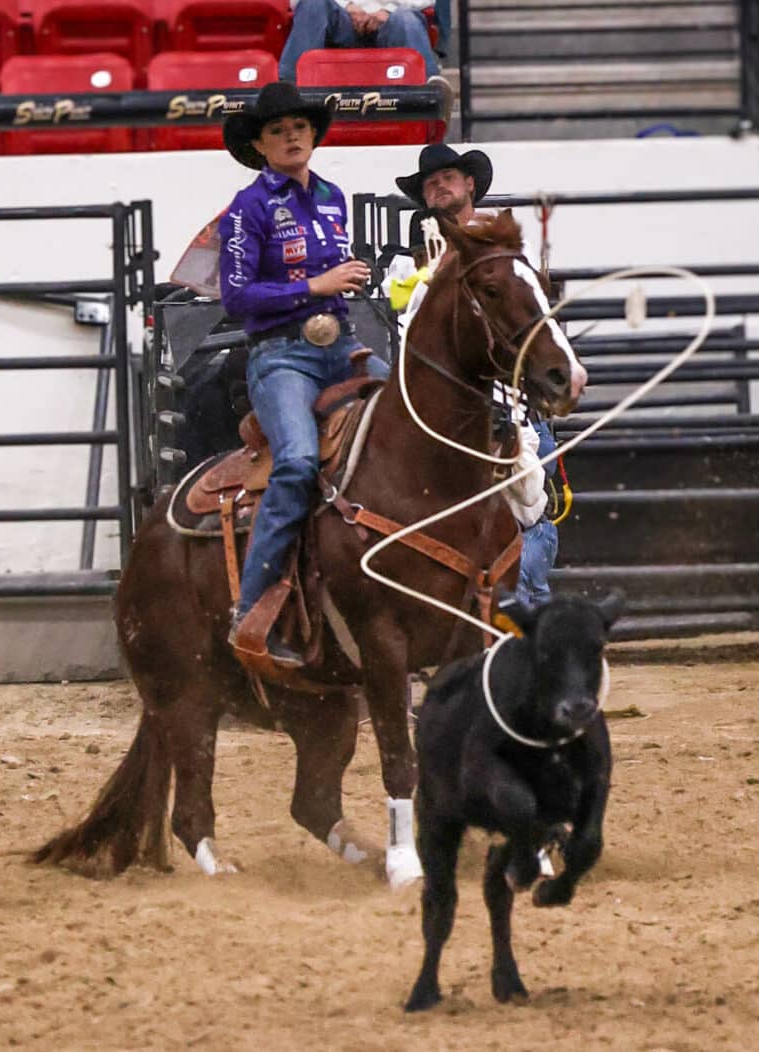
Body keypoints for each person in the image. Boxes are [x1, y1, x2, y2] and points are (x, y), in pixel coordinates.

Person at [219, 81, 387, 669]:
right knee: (294, 460)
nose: (291, 135)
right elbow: (236, 297)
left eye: (299, 127)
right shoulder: (249, 208)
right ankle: (253, 607)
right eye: (277, 130)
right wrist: (315, 286)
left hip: (341, 345)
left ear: (313, 135)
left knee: (411, 411)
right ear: (260, 145)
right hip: (281, 355)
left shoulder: (335, 196)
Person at [390, 142, 564, 604]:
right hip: (450, 401)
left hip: (507, 395)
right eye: (430, 182)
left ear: (469, 184)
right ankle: (514, 607)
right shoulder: (413, 264)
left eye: (447, 176)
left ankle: (522, 603)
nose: (438, 185)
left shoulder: (500, 252)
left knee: (530, 499)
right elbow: (405, 328)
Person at [279, 0, 442, 84]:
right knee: (313, 4)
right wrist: (348, 6)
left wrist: (388, 10)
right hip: (342, 19)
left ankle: (430, 89)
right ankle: (289, 86)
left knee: (405, 18)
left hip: (391, 19)